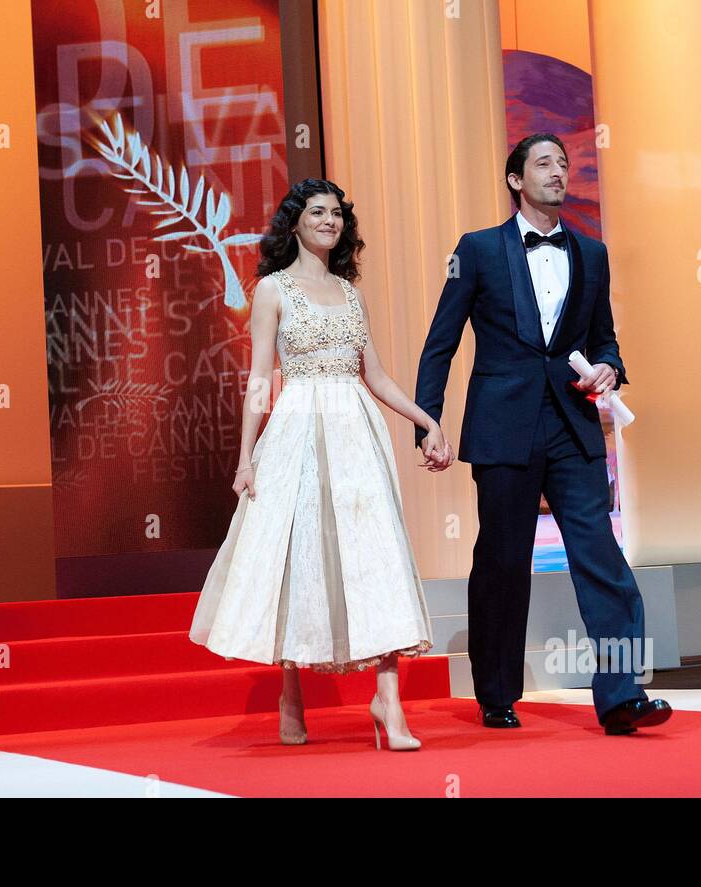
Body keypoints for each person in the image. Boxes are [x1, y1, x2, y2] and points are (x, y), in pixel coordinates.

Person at [413, 133, 672, 736]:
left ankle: (622, 694)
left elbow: (603, 336)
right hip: (503, 427)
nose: (558, 172)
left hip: (573, 426)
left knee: (601, 556)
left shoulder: (593, 253)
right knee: (504, 560)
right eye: (544, 163)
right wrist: (428, 421)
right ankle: (497, 693)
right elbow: (441, 342)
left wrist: (611, 365)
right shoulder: (476, 250)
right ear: (515, 180)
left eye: (563, 163)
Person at [190, 178, 447, 751]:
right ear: (295, 222)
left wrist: (424, 420)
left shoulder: (352, 293)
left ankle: (389, 701)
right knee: (296, 554)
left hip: (356, 429)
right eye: (317, 211)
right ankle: (291, 693)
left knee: (375, 553)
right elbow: (261, 378)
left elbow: (373, 374)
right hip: (297, 428)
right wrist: (244, 457)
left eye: (336, 213)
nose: (329, 220)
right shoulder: (273, 290)